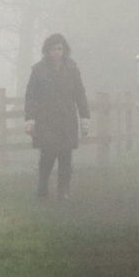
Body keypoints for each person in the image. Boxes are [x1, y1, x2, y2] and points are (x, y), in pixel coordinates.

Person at [25, 32, 89, 199]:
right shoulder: (38, 70)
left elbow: (80, 93)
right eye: (53, 49)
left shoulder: (72, 68)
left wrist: (85, 118)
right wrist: (30, 120)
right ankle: (42, 187)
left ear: (64, 50)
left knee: (66, 157)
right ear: (47, 50)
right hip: (46, 119)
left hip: (67, 119)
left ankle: (64, 191)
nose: (56, 52)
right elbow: (31, 96)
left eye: (59, 49)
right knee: (47, 155)